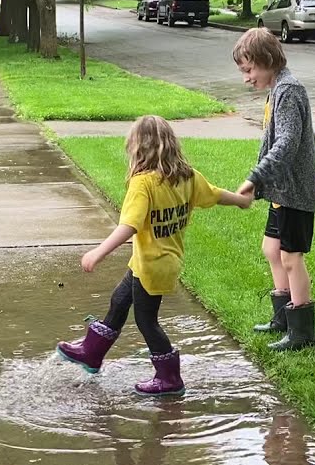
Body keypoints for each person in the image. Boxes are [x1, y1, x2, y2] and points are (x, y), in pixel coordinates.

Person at [56, 115, 250, 396]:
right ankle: (92, 352)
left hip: (151, 263)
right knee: (120, 300)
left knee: (147, 321)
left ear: (138, 148)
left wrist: (99, 252)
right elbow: (216, 194)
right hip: (160, 261)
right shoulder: (187, 177)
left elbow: (129, 225)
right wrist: (242, 201)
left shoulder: (143, 183)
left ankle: (169, 378)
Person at [232, 27, 315, 351]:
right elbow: (306, 140)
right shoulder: (278, 90)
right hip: (282, 190)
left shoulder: (289, 90)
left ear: (267, 60)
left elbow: (287, 142)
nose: (246, 78)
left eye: (249, 69)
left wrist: (255, 178)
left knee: (290, 257)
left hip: (295, 191)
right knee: (271, 249)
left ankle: (302, 332)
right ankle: (282, 317)